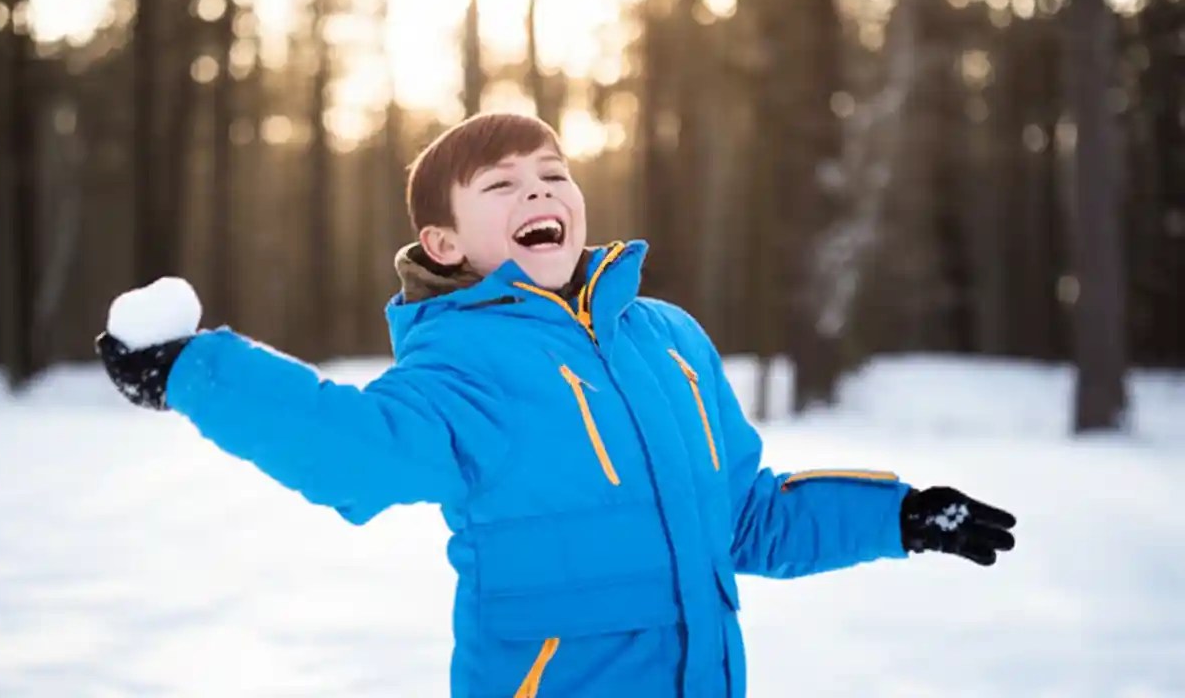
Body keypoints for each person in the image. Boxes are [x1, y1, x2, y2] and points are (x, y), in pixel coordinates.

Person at [96, 112, 1016, 698]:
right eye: (501, 185)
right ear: (445, 242)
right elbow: (353, 450)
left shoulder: (668, 340)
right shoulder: (464, 368)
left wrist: (898, 515)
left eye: (552, 172)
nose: (537, 188)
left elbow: (747, 520)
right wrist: (193, 373)